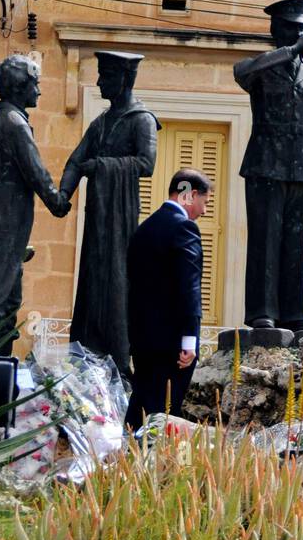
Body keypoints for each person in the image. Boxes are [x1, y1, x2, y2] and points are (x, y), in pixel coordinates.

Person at [233, 0, 303, 331]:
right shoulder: (261, 68)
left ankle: (294, 312)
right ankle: (261, 311)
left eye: (302, 29)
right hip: (266, 162)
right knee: (265, 239)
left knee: (298, 241)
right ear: (276, 31)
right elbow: (243, 72)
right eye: (291, 29)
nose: (298, 34)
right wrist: (289, 52)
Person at [60, 50, 159, 379]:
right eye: (100, 76)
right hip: (97, 213)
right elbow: (75, 160)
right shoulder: (100, 123)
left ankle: (118, 355)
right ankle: (87, 348)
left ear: (125, 79)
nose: (100, 82)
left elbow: (146, 165)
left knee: (117, 277)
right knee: (92, 276)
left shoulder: (141, 119)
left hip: (120, 213)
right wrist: (63, 194)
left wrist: (100, 166)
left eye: (107, 77)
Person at [0, 55, 69, 350]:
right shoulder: (13, 123)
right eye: (35, 84)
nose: (38, 91)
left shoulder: (3, 119)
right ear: (19, 86)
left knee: (8, 293)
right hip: (5, 214)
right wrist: (58, 202)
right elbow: (35, 171)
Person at [124, 168, 209, 430]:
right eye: (204, 202)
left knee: (142, 403)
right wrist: (189, 339)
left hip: (142, 339)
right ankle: (147, 464)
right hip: (170, 343)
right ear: (190, 194)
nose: (204, 211)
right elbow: (189, 287)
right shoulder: (184, 227)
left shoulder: (143, 229)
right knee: (162, 413)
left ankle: (127, 459)